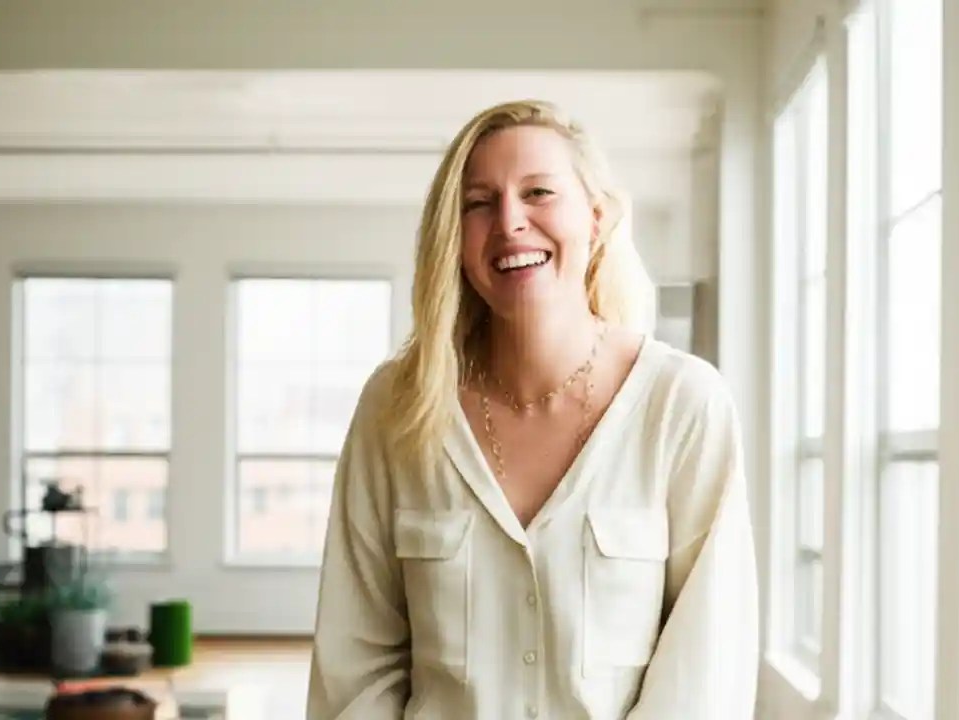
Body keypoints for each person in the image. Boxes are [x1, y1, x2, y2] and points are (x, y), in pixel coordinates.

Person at [307, 99, 759, 719]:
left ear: (595, 219)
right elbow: (354, 663)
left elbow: (705, 665)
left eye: (539, 192)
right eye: (478, 203)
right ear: (454, 239)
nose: (509, 222)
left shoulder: (682, 404)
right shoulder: (396, 406)